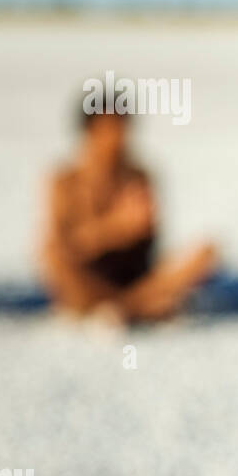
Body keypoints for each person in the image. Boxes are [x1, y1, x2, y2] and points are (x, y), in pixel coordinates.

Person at [41, 102, 215, 322]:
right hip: (89, 279)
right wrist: (115, 228)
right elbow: (62, 246)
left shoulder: (139, 176)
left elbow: (150, 246)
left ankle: (125, 308)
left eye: (122, 129)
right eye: (109, 130)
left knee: (206, 251)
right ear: (89, 132)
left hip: (134, 276)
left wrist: (144, 227)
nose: (116, 139)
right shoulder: (64, 181)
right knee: (51, 255)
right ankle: (136, 307)